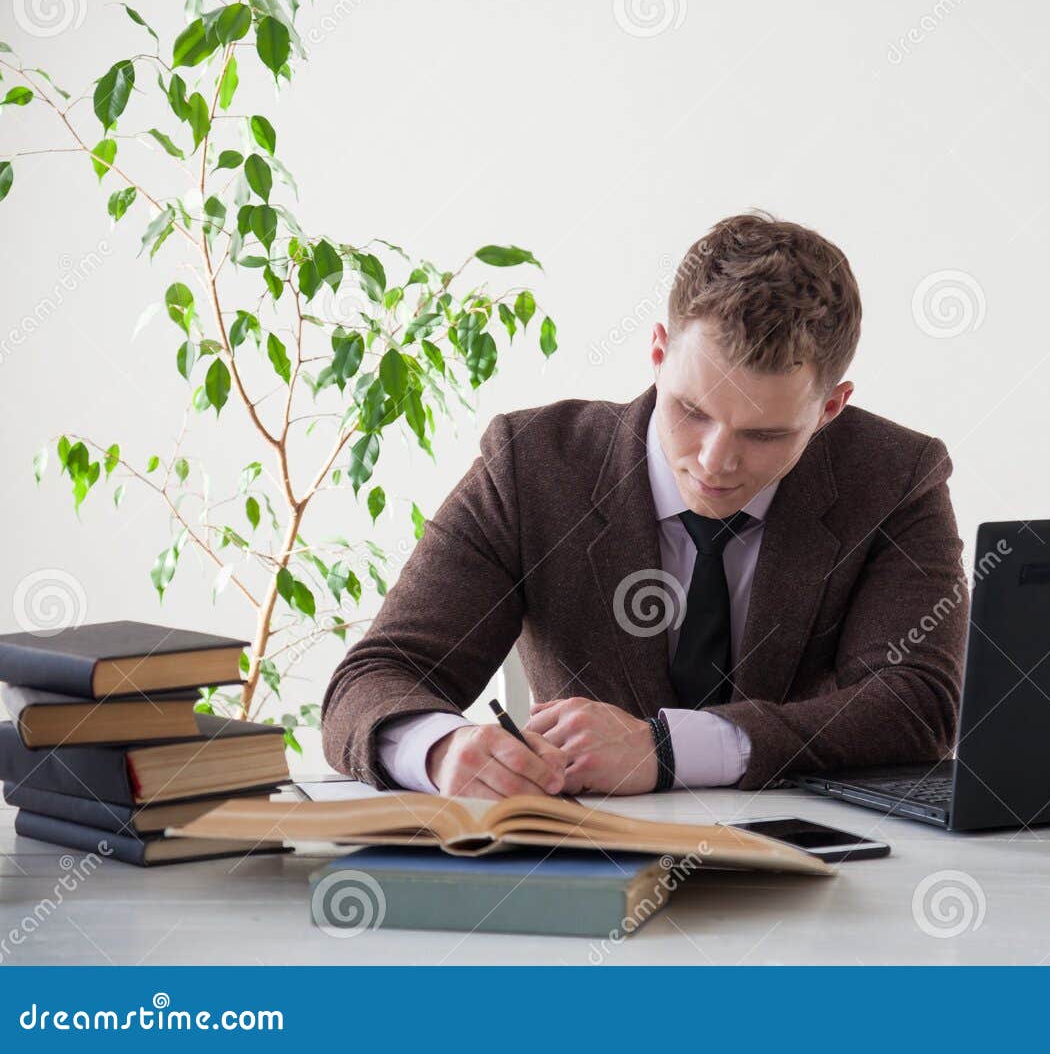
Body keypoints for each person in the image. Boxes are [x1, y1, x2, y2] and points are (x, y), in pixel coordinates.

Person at [321, 211, 968, 798]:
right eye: (692, 410)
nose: (716, 460)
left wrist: (670, 748)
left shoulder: (894, 477)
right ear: (658, 352)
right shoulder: (533, 462)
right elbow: (375, 678)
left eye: (764, 434)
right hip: (587, 869)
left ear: (829, 408)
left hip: (824, 876)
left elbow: (915, 703)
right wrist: (441, 749)